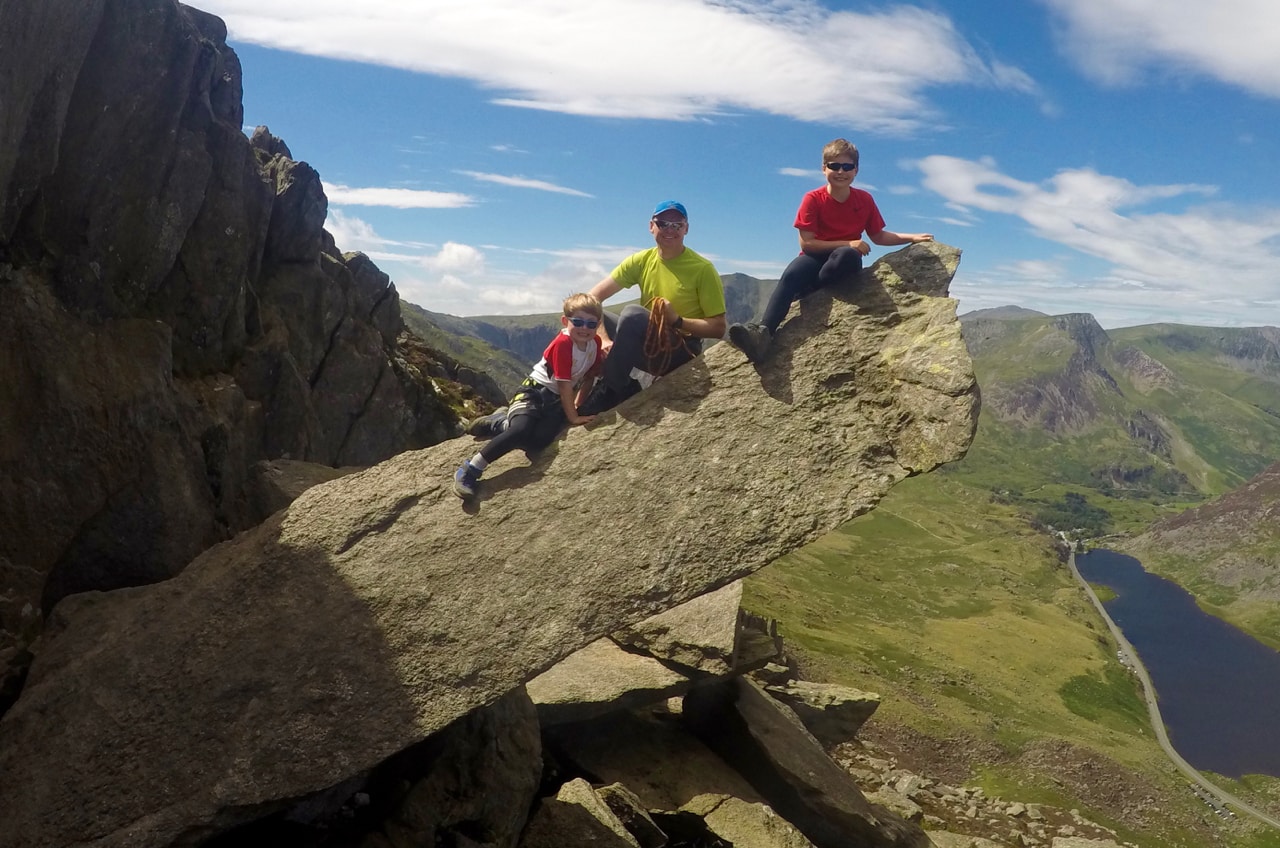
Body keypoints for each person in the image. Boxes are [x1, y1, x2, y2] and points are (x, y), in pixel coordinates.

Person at [728, 139, 933, 363]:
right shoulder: (813, 199)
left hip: (843, 262)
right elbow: (807, 244)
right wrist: (848, 242)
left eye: (847, 167)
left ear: (856, 170)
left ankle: (811, 289)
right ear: (823, 168)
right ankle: (763, 334)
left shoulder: (864, 200)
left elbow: (878, 236)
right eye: (834, 166)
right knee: (793, 273)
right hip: (815, 256)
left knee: (846, 256)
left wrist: (911, 238)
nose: (841, 172)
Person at [576, 200, 727, 416]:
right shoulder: (642, 260)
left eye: (677, 225)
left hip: (680, 350)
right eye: (663, 223)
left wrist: (677, 320)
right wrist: (604, 339)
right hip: (651, 341)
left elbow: (718, 327)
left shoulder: (702, 269)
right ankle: (615, 386)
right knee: (582, 321)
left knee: (632, 314)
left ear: (686, 229)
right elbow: (592, 298)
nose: (670, 230)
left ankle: (611, 387)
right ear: (651, 226)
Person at [452, 293, 605, 499]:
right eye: (578, 322)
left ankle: (501, 424)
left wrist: (577, 406)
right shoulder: (563, 344)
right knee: (521, 430)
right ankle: (470, 470)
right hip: (533, 392)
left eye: (591, 323)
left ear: (598, 324)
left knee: (538, 442)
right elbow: (564, 383)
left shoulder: (594, 344)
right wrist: (573, 417)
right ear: (564, 321)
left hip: (556, 400)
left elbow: (589, 377)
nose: (584, 328)